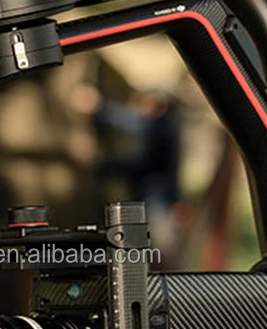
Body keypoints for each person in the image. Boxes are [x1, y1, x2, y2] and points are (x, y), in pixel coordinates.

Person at [72, 83, 184, 256]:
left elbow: (134, 125)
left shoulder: (162, 129)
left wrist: (98, 107)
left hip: (157, 202)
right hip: (153, 199)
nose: (141, 109)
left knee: (160, 251)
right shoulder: (162, 129)